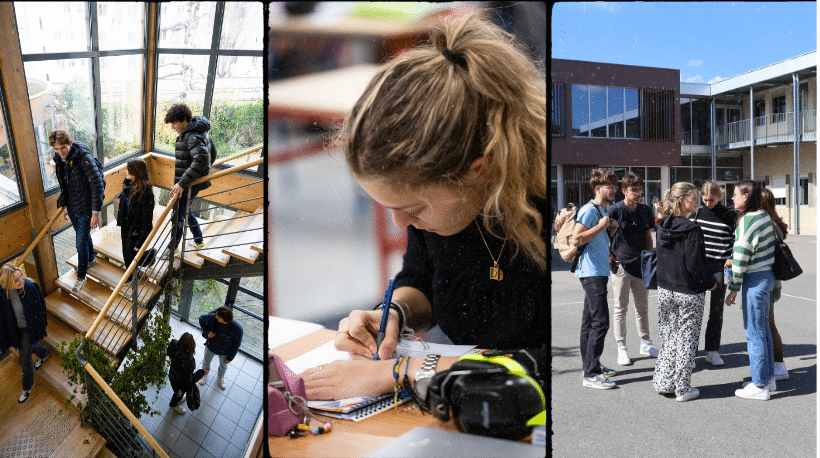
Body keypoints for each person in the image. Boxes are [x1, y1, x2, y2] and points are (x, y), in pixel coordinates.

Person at [298, 11, 546, 401]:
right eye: (388, 207)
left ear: (482, 171)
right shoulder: (443, 203)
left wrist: (403, 370)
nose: (400, 222)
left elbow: (550, 363)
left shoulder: (553, 211)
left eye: (413, 209)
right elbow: (423, 277)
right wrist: (395, 312)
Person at [653, 182, 716, 402]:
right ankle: (683, 388)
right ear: (681, 200)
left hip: (664, 288)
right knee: (687, 339)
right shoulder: (691, 229)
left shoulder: (662, 225)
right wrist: (710, 282)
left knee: (669, 337)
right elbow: (694, 265)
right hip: (688, 291)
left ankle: (665, 382)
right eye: (693, 197)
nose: (697, 201)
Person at [725, 180, 776, 401]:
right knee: (763, 330)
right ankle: (768, 378)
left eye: (735, 194)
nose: (732, 198)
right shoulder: (764, 215)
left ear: (746, 196)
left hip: (754, 279)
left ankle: (760, 385)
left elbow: (741, 256)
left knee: (754, 333)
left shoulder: (746, 220)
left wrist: (733, 288)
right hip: (767, 276)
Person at [573, 169, 619, 389]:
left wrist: (609, 231)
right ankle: (590, 374)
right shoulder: (590, 210)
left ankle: (591, 365)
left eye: (615, 186)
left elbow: (595, 241)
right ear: (598, 188)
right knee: (601, 322)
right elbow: (576, 239)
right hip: (591, 272)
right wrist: (601, 226)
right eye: (610, 186)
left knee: (589, 322)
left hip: (597, 271)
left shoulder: (602, 210)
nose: (614, 190)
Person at [607, 172, 658, 366]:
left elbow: (648, 235)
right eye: (633, 190)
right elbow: (605, 236)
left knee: (642, 308)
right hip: (621, 267)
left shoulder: (645, 210)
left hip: (641, 267)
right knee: (621, 308)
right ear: (624, 191)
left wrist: (650, 258)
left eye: (639, 189)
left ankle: (645, 343)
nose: (637, 193)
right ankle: (622, 348)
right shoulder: (615, 211)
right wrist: (609, 256)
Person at [160, 103, 215, 261]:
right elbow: (212, 152)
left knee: (177, 215)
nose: (172, 127)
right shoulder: (199, 131)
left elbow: (202, 160)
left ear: (183, 119)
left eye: (174, 123)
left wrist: (182, 183)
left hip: (188, 184)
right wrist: (203, 171)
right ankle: (199, 240)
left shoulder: (193, 136)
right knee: (185, 210)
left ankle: (172, 248)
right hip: (191, 182)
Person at [51, 129, 104, 292]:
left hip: (86, 209)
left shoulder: (84, 159)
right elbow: (64, 185)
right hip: (73, 206)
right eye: (56, 149)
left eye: (63, 148)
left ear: (70, 144)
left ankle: (81, 276)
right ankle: (91, 259)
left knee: (80, 244)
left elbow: (97, 187)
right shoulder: (60, 160)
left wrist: (95, 213)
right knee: (83, 236)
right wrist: (66, 205)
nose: (60, 152)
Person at [691, 181, 737, 366]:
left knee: (716, 311)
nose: (708, 202)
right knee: (694, 310)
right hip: (700, 268)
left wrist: (732, 256)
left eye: (711, 199)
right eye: (705, 199)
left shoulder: (729, 215)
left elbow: (738, 239)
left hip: (720, 267)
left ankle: (712, 350)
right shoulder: (697, 213)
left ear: (719, 197)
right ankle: (691, 353)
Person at [0, 264, 49, 403]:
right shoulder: (4, 294)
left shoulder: (30, 287)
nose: (21, 281)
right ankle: (44, 352)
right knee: (27, 346)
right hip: (17, 329)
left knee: (24, 358)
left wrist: (40, 323)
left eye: (20, 276)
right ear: (7, 282)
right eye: (16, 280)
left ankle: (27, 386)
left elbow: (41, 306)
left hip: (29, 328)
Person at [760, 188, 789, 381]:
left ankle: (777, 367)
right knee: (769, 324)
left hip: (767, 279)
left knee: (767, 325)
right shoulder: (776, 222)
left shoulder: (767, 223)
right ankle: (777, 366)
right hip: (773, 280)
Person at [116, 158, 155, 282]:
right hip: (126, 225)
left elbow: (147, 222)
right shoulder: (129, 184)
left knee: (130, 253)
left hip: (136, 229)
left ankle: (134, 275)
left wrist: (140, 241)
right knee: (126, 252)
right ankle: (144, 262)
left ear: (136, 171)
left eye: (128, 169)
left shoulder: (146, 193)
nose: (125, 171)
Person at [198, 306, 243, 391]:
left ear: (224, 319)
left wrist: (230, 357)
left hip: (225, 351)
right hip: (211, 345)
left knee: (223, 365)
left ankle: (220, 377)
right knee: (206, 361)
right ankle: (204, 373)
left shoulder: (237, 329)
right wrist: (207, 332)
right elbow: (201, 319)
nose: (215, 316)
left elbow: (236, 345)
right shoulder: (212, 317)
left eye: (218, 316)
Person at [167, 332, 207, 415]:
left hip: (172, 375)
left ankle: (178, 399)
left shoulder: (173, 345)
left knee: (177, 392)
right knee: (178, 394)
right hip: (180, 384)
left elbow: (169, 353)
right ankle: (173, 404)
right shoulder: (188, 362)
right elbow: (190, 379)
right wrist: (202, 372)